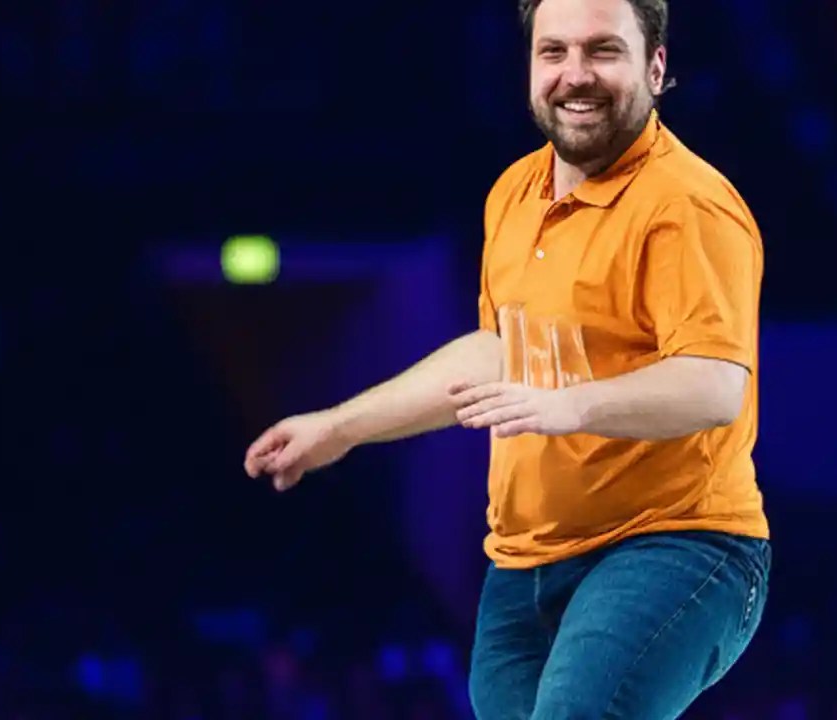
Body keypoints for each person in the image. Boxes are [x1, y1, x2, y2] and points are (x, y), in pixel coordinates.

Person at [243, 0, 771, 716]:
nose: (575, 74)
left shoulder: (689, 204)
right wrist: (339, 428)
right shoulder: (514, 194)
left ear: (657, 66)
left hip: (678, 548)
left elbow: (713, 386)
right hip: (523, 566)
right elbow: (498, 353)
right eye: (553, 52)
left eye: (603, 51)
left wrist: (570, 403)